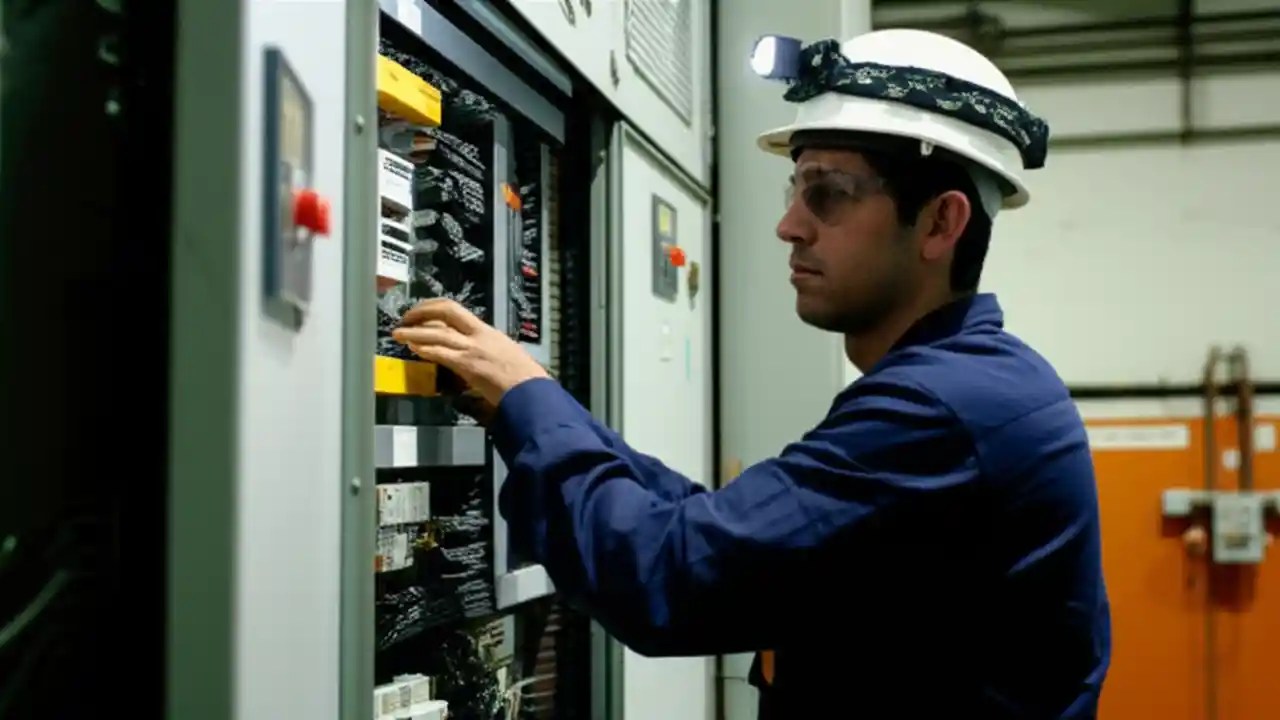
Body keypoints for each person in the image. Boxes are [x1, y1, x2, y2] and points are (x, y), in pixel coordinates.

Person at [394, 28, 1111, 720]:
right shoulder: (977, 387)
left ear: (939, 223)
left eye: (828, 193)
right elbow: (709, 528)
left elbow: (666, 573)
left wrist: (533, 403)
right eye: (795, 189)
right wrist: (533, 411)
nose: (790, 225)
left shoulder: (942, 409)